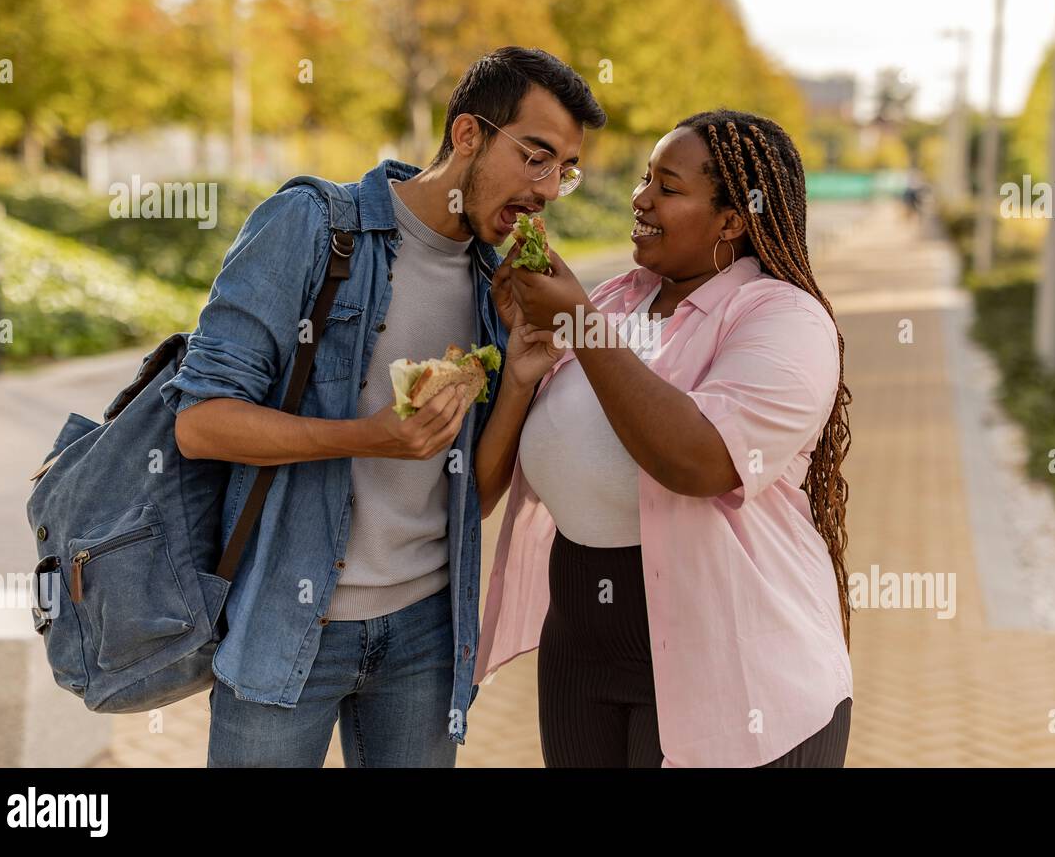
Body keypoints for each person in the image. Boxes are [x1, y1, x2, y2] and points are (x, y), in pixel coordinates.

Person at [159, 46, 605, 766]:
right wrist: (368, 435)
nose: (550, 188)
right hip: (286, 621)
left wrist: (518, 378)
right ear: (468, 135)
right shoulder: (311, 225)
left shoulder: (496, 288)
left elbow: (474, 498)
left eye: (564, 170)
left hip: (427, 635)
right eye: (536, 156)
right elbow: (200, 423)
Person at [474, 109, 854, 767]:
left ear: (733, 220)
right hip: (583, 664)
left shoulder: (786, 320)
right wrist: (519, 370)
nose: (640, 198)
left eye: (668, 188)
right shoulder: (621, 299)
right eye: (645, 179)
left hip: (735, 672)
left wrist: (582, 326)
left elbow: (697, 460)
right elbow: (500, 481)